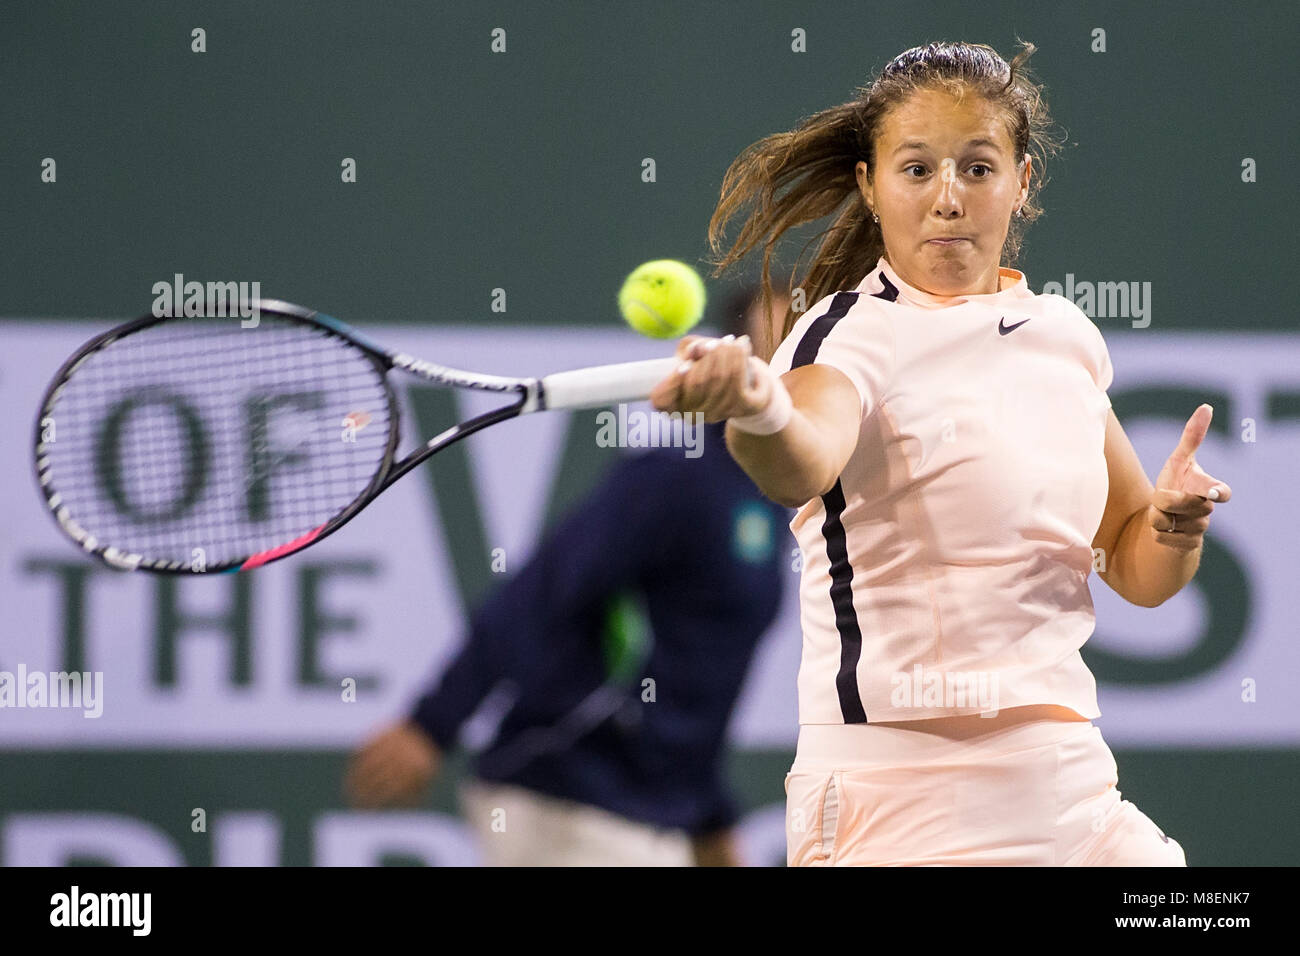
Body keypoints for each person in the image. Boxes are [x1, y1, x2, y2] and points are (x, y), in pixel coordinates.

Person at [650, 40, 1232, 866]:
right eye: (916, 170)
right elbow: (803, 461)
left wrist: (1172, 528)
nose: (948, 199)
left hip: (1067, 788)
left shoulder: (1064, 337)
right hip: (897, 799)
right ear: (870, 185)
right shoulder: (846, 333)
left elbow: (1136, 569)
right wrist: (757, 408)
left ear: (1022, 182)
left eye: (978, 168)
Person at [346, 290, 792, 866]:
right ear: (738, 365)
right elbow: (542, 589)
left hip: (653, 811)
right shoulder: (674, 479)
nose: (794, 360)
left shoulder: (766, 499)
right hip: (567, 794)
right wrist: (433, 723)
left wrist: (707, 815)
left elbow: (691, 676)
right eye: (777, 342)